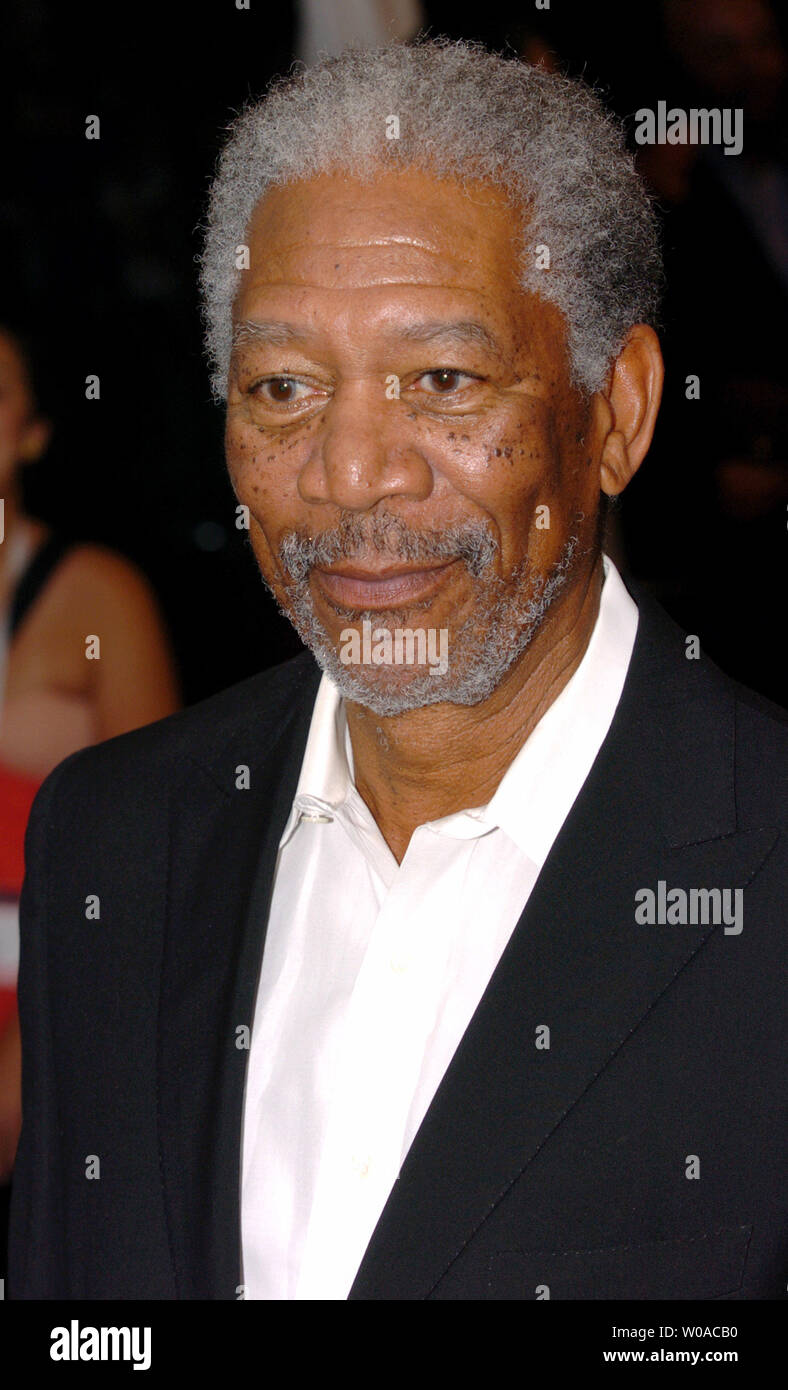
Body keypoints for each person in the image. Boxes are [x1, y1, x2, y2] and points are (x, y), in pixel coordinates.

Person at [9, 39, 787, 1300]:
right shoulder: (113, 844)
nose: (349, 472)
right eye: (281, 386)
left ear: (618, 412)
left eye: (440, 379)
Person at [0, 324, 180, 1243]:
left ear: (30, 432)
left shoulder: (98, 595)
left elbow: (152, 863)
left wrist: (34, 1067)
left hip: (51, 1015)